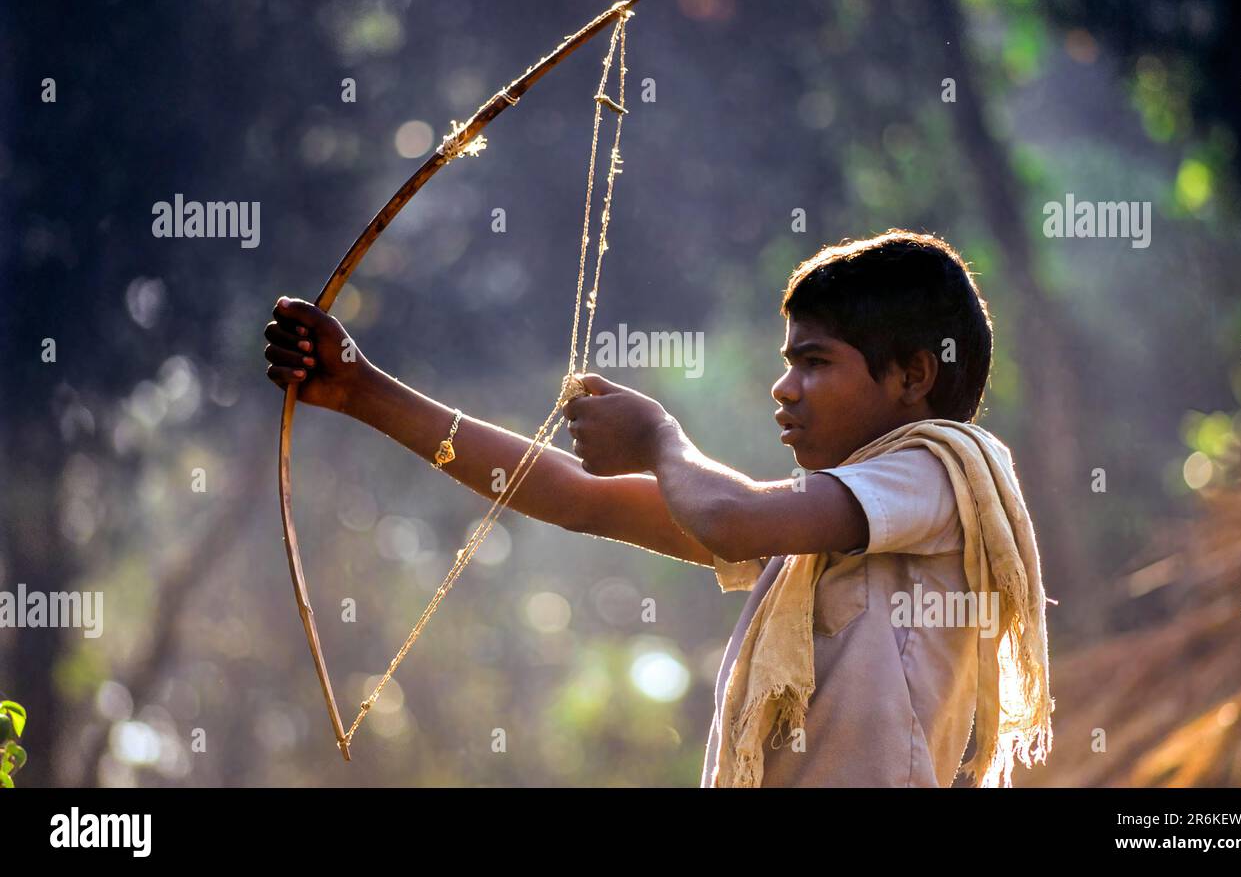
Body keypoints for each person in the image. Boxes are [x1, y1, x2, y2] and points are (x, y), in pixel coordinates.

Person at [264, 228, 1052, 787]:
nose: (785, 389)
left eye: (815, 363)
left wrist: (659, 438)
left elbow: (727, 518)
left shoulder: (940, 467)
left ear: (914, 376)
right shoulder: (814, 528)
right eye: (789, 363)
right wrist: (362, 389)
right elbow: (578, 499)